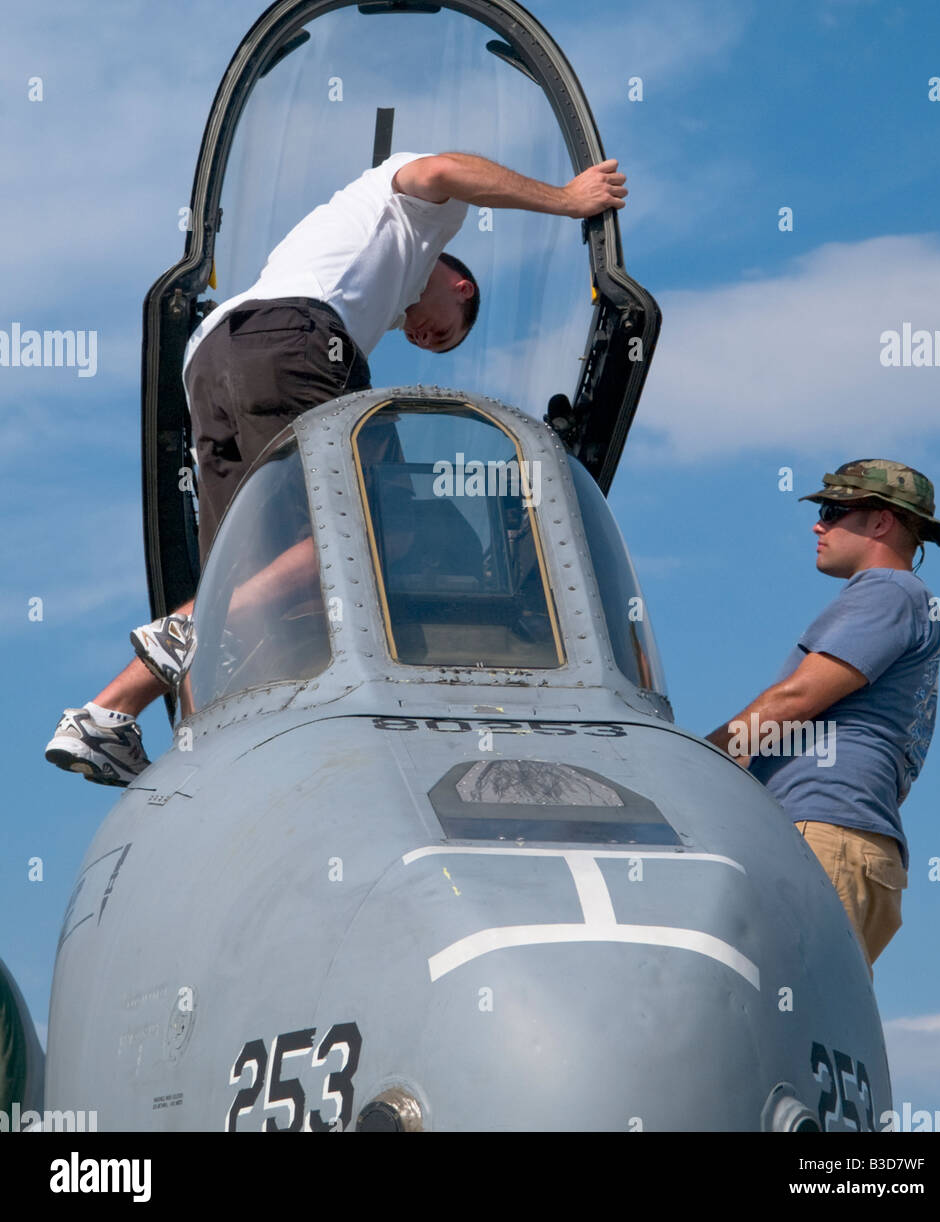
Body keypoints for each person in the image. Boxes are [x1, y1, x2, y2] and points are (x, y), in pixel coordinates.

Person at [46, 149, 628, 786]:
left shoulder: (346, 256)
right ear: (460, 288)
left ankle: (109, 713)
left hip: (213, 359)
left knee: (253, 567)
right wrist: (568, 200)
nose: (423, 338)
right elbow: (444, 169)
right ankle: (189, 631)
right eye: (443, 332)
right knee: (385, 534)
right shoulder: (422, 220)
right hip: (292, 338)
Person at [705, 460, 940, 968]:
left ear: (881, 521)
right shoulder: (913, 604)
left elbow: (793, 701)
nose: (818, 525)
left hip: (823, 836)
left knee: (780, 1013)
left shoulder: (888, 590)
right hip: (853, 845)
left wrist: (695, 766)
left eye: (832, 510)